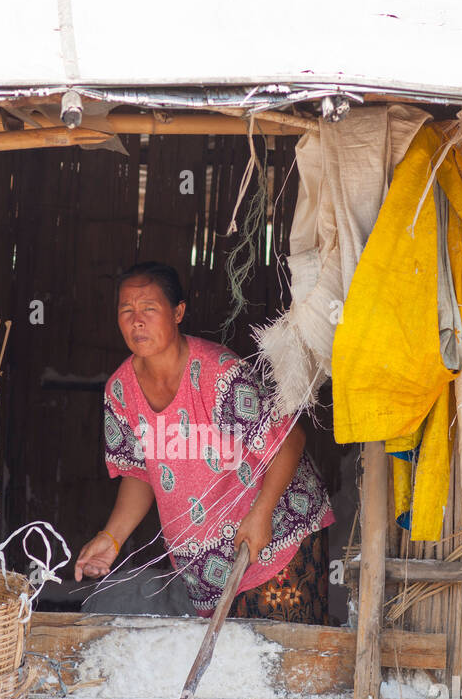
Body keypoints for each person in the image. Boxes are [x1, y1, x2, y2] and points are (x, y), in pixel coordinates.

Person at [73, 262, 334, 622]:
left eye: (149, 308)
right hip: (206, 567)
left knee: (279, 665)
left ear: (178, 312)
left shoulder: (219, 374)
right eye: (126, 311)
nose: (137, 321)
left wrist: (261, 514)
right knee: (228, 670)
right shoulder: (120, 391)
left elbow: (289, 439)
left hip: (276, 538)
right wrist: (111, 539)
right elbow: (140, 473)